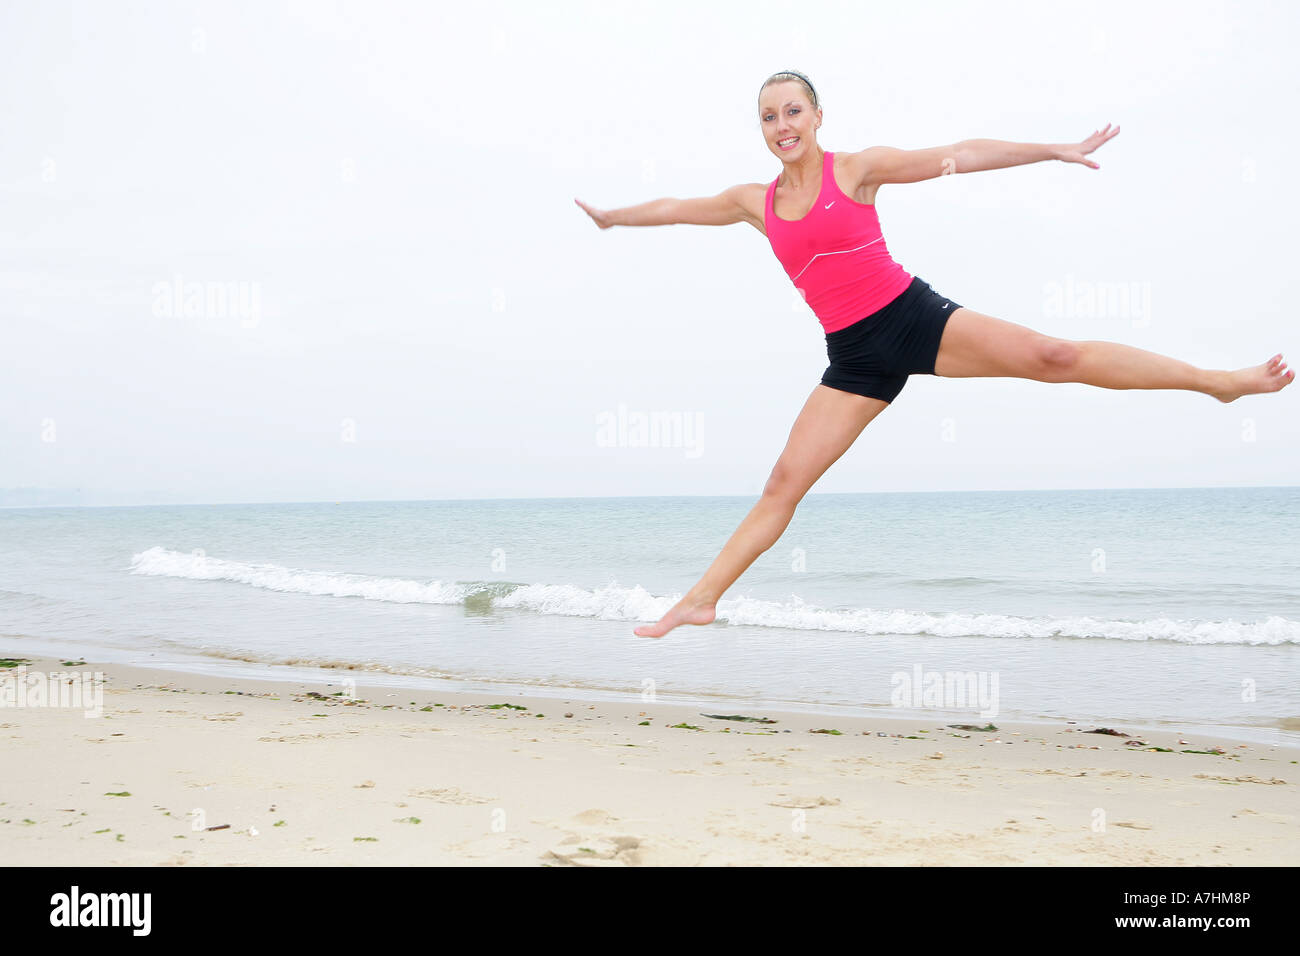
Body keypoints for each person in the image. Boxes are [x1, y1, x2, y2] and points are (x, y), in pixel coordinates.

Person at [574, 69, 1293, 640]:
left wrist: (1052, 149)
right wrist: (613, 219)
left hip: (913, 318)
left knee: (1054, 354)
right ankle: (700, 602)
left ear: (818, 117)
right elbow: (675, 206)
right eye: (768, 116)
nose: (782, 125)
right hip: (855, 359)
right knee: (783, 483)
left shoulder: (858, 169)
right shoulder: (751, 203)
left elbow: (962, 154)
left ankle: (1218, 383)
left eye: (793, 111)